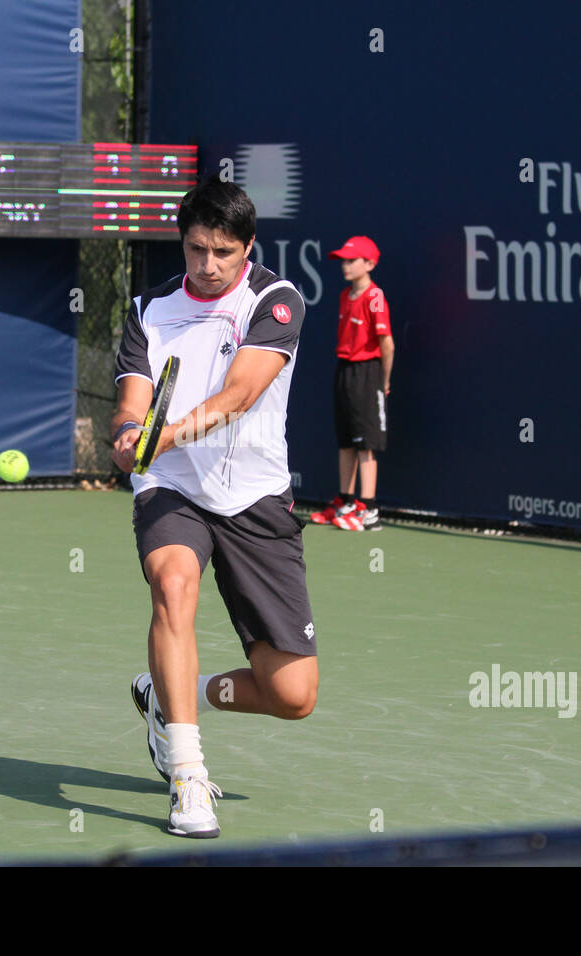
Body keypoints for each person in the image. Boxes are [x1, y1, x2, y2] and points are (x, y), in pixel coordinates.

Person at [110, 179, 318, 839]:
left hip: (255, 495)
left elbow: (239, 396)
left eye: (223, 252)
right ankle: (187, 774)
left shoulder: (276, 301)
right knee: (173, 584)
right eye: (196, 248)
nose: (208, 264)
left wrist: (162, 435)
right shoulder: (149, 310)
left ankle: (170, 694)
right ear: (183, 242)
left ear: (248, 247)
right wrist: (129, 435)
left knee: (292, 695)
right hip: (172, 487)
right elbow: (132, 404)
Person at [309, 236, 393, 531]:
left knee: (365, 443)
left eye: (351, 260)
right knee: (346, 441)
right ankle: (346, 501)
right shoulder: (346, 295)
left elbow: (387, 343)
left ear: (369, 264)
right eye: (343, 260)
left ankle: (369, 510)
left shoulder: (375, 296)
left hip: (368, 373)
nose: (345, 265)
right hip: (344, 370)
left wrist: (383, 380)